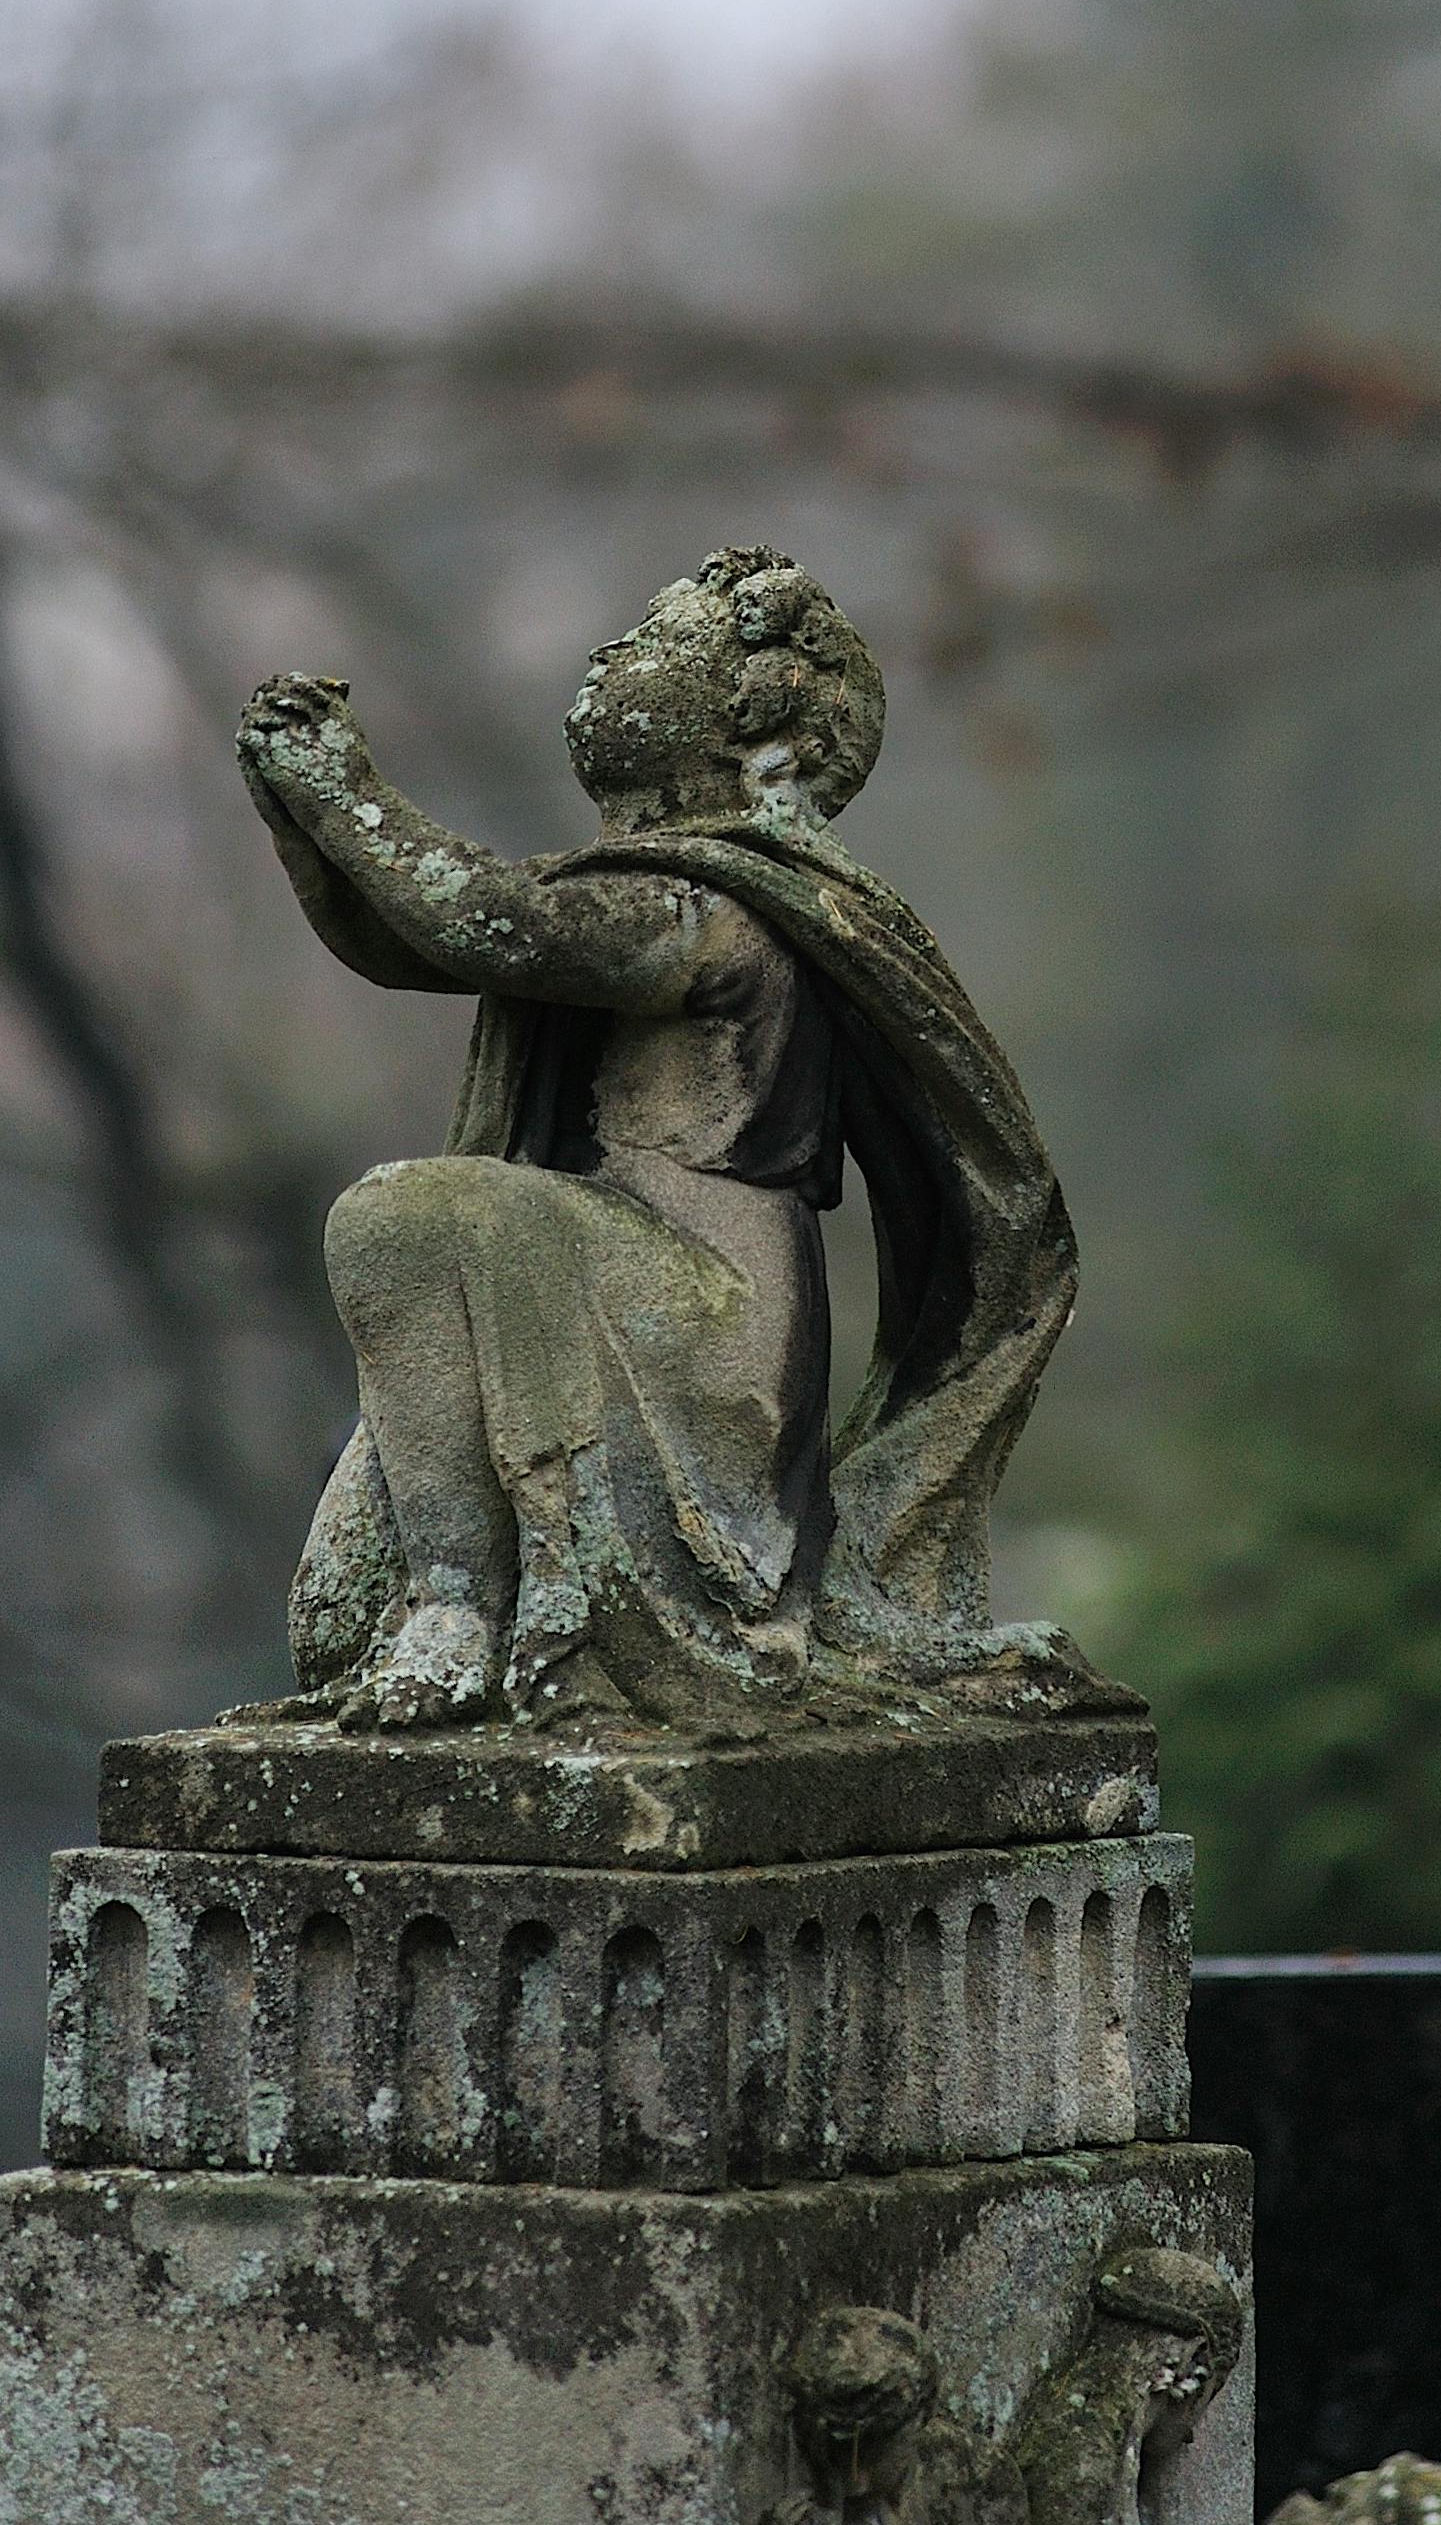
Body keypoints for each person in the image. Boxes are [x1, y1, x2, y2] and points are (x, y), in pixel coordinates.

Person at [236, 545, 1106, 1733]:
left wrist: (350, 799)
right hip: (610, 1267)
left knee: (416, 1209)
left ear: (759, 733)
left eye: (651, 645)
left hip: (706, 1318)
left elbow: (500, 929)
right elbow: (410, 943)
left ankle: (466, 1605)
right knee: (397, 1256)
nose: (609, 657)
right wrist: (304, 817)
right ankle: (446, 1599)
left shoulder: (723, 908)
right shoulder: (654, 884)